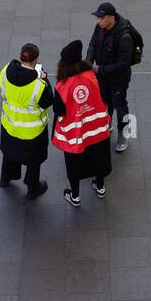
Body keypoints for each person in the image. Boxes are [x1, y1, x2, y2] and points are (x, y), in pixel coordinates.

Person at [52, 40, 112, 208]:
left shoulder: (62, 85)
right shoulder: (93, 76)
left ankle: (75, 196)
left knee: (74, 166)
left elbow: (58, 110)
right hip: (98, 129)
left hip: (75, 135)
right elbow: (104, 96)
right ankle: (100, 187)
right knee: (99, 159)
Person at [0, 42, 52, 200]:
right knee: (34, 161)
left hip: (9, 125)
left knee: (9, 153)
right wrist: (45, 79)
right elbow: (48, 101)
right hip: (31, 132)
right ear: (36, 60)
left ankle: (5, 178)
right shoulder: (38, 85)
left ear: (21, 55)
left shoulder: (5, 71)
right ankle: (32, 188)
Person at [86, 2, 135, 154]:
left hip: (118, 79)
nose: (98, 21)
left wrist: (99, 69)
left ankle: (124, 135)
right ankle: (108, 124)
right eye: (98, 18)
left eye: (101, 18)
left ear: (111, 18)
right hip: (102, 76)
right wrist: (88, 62)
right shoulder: (100, 28)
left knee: (120, 106)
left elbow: (123, 64)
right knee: (105, 102)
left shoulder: (124, 37)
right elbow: (93, 44)